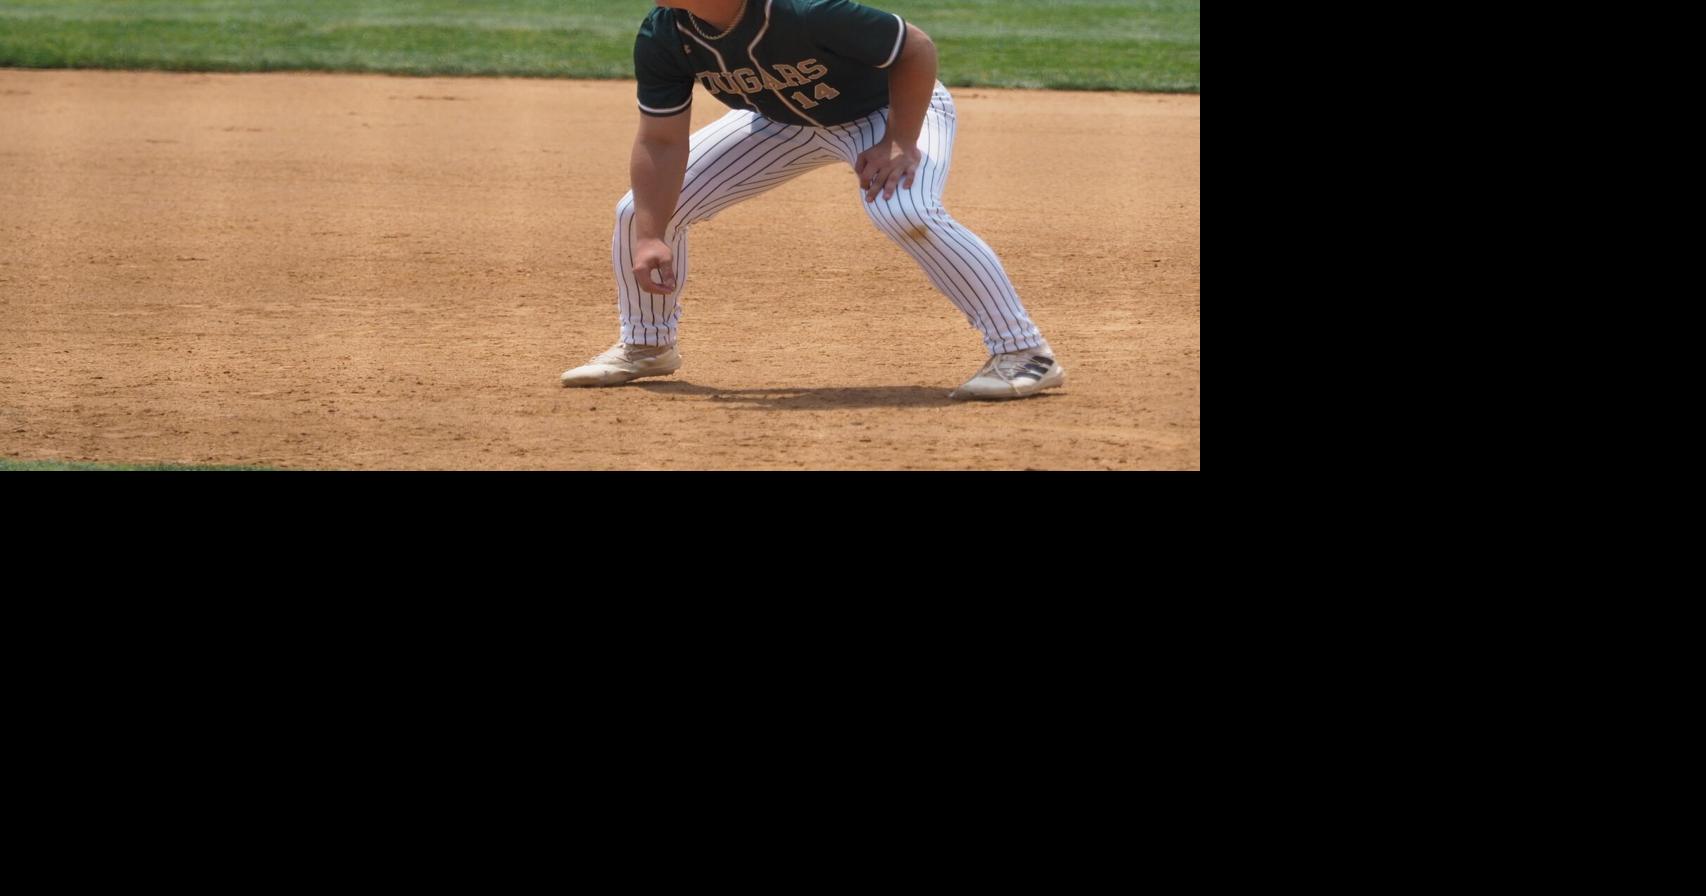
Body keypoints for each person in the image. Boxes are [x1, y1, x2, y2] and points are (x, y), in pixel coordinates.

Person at [560, 0, 1065, 400]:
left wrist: (899, 140)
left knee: (904, 211)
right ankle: (648, 343)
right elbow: (661, 141)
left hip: (890, 112)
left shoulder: (805, 11)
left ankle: (1024, 353)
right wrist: (651, 234)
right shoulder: (666, 34)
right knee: (639, 212)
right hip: (783, 124)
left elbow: (915, 49)